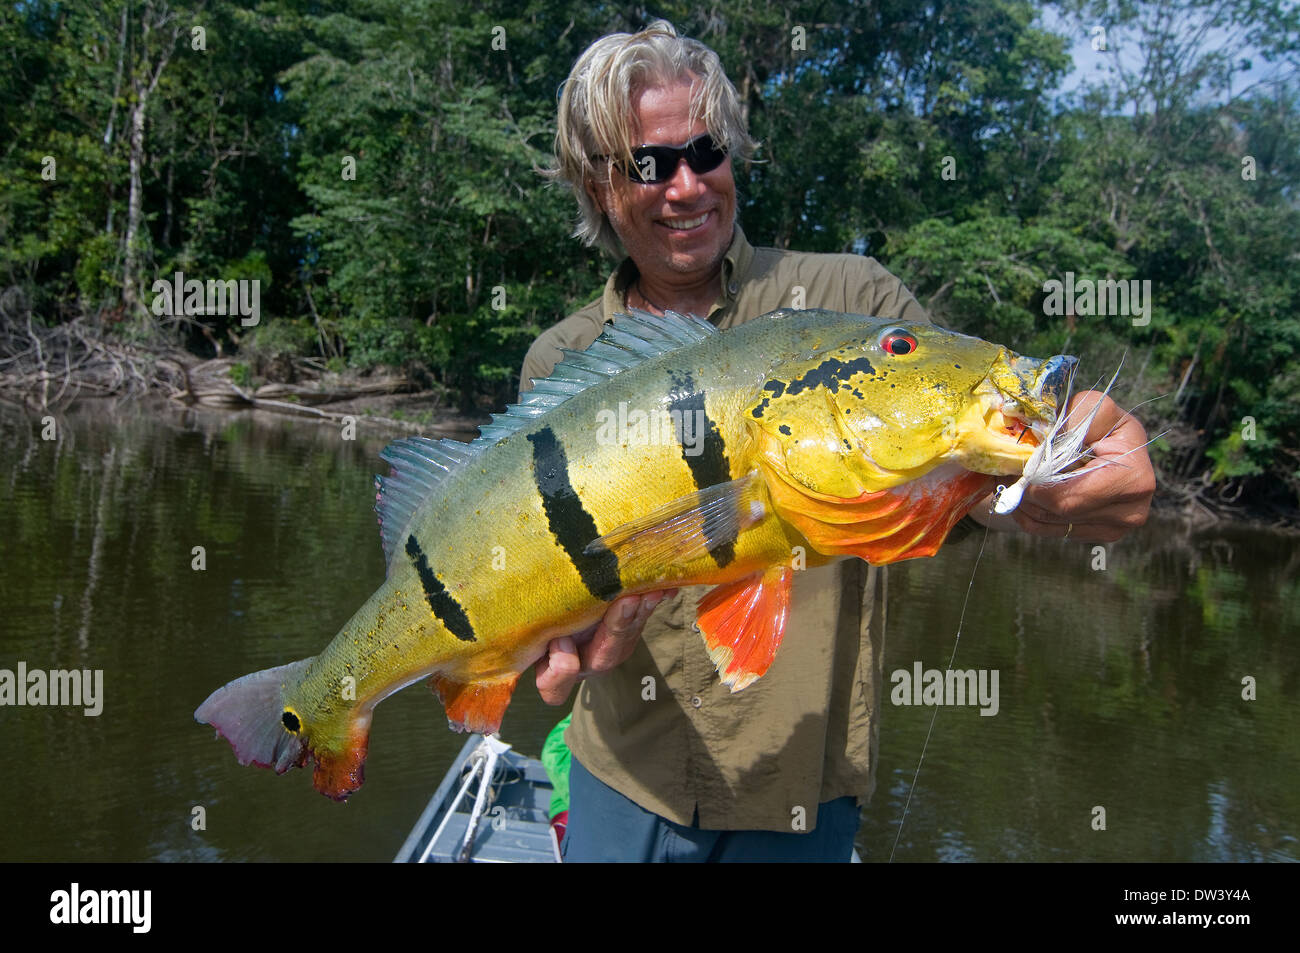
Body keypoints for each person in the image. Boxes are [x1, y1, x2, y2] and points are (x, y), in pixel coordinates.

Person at [519, 21, 1155, 862]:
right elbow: (542, 587)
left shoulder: (852, 299)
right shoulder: (561, 363)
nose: (686, 185)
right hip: (623, 776)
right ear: (599, 185)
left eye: (705, 151)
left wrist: (1053, 477)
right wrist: (549, 640)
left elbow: (961, 464)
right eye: (650, 164)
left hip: (801, 798)